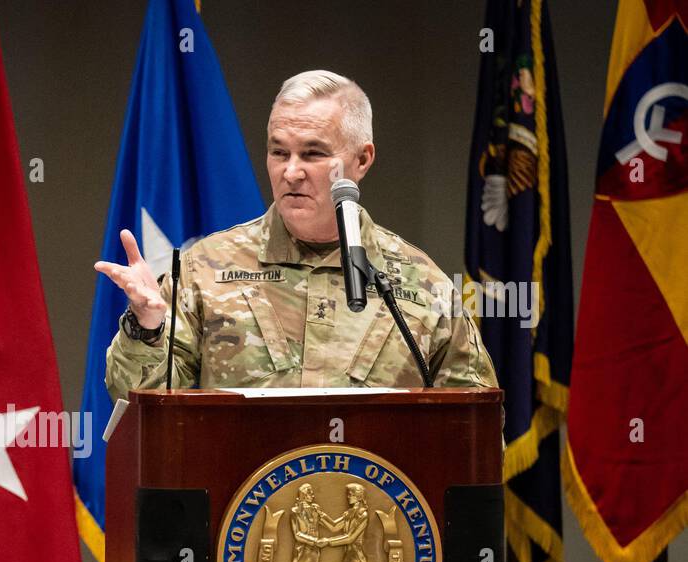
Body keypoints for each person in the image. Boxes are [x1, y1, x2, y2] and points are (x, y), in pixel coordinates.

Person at [96, 70, 499, 399]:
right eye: (278, 152)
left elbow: (475, 435)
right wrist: (146, 327)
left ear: (362, 160)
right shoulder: (205, 269)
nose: (291, 172)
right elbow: (139, 402)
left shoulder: (423, 284)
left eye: (312, 154)